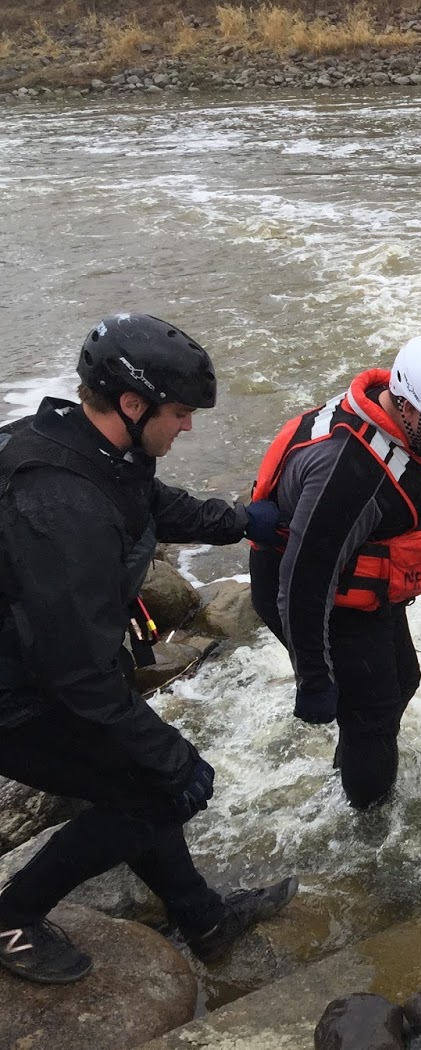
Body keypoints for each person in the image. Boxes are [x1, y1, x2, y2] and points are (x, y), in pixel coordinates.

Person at [0, 314, 297, 984]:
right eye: (181, 412)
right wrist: (170, 754)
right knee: (157, 790)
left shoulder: (89, 447)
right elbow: (74, 675)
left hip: (47, 665)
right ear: (132, 405)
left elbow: (150, 504)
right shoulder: (59, 509)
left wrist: (242, 520)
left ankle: (204, 918)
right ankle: (13, 915)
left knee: (144, 782)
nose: (187, 426)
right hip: (19, 694)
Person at [250, 335, 421, 810]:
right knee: (374, 712)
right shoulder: (349, 474)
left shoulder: (398, 418)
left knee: (402, 681)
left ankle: (353, 757)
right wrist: (314, 678)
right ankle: (368, 820)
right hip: (315, 597)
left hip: (357, 588)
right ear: (407, 407)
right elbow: (303, 584)